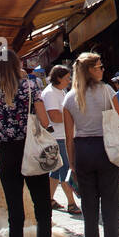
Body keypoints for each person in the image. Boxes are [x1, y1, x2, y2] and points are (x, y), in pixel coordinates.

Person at [0, 48, 57, 237]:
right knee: (42, 209)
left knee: (15, 215)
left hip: (7, 154)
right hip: (31, 151)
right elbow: (44, 119)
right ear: (17, 63)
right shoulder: (31, 85)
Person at [63, 52, 119, 237]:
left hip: (83, 152)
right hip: (106, 149)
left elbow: (69, 137)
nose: (102, 70)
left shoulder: (70, 98)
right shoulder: (107, 91)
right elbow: (118, 123)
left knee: (89, 214)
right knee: (110, 211)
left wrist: (72, 163)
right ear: (90, 70)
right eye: (99, 67)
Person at [41, 65, 81, 214]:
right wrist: (72, 117)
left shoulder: (60, 91)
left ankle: (49, 199)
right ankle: (71, 203)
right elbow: (54, 116)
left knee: (56, 171)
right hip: (57, 137)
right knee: (65, 170)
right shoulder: (51, 93)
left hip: (62, 135)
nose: (69, 80)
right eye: (66, 78)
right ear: (58, 78)